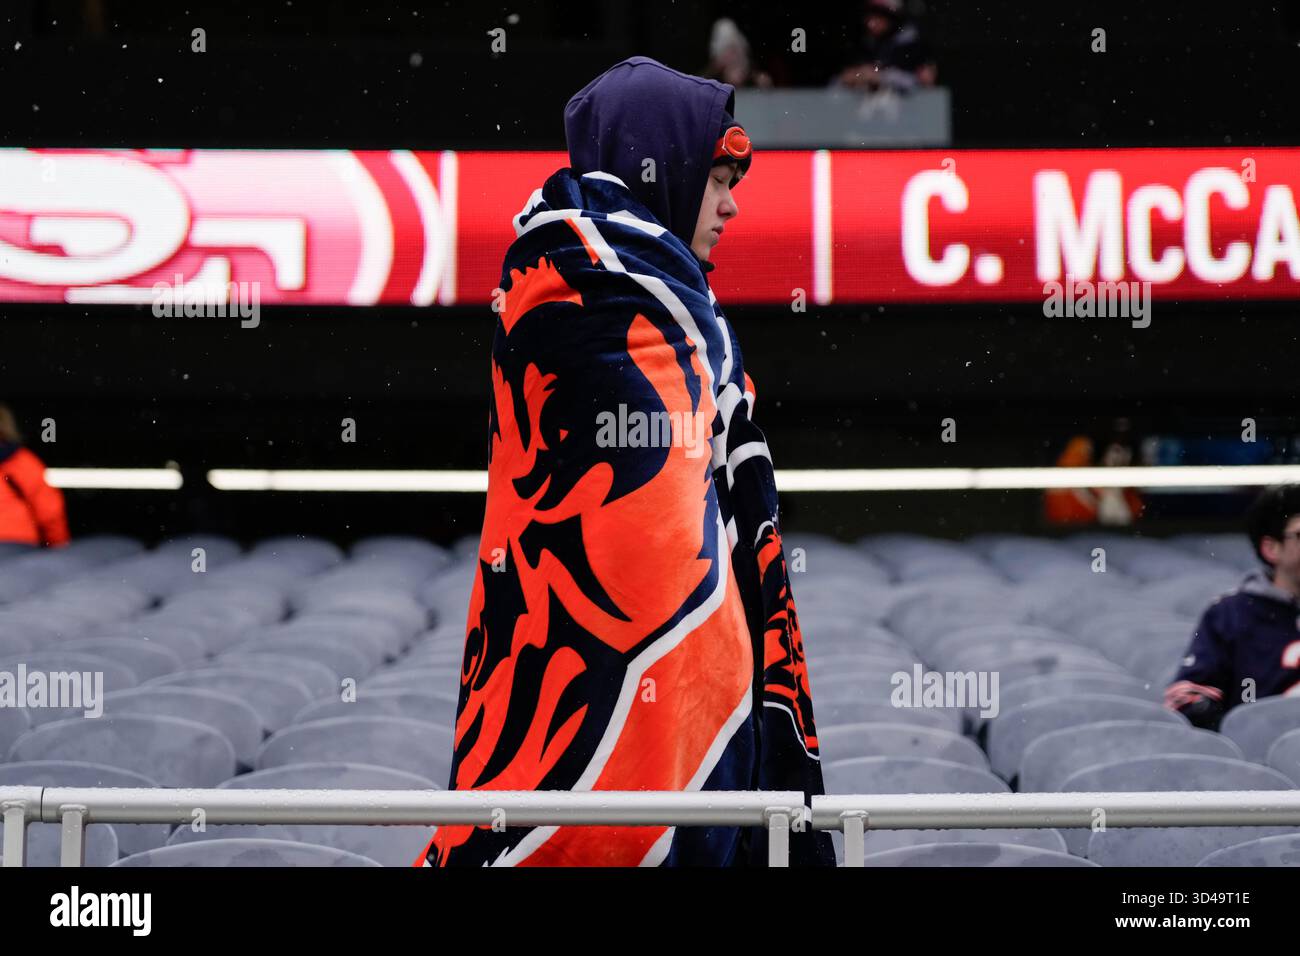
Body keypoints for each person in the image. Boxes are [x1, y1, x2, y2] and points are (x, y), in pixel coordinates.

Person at [418, 56, 833, 867]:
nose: (732, 203)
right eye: (717, 179)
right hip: (574, 665)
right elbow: (633, 519)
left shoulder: (680, 299)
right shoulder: (569, 288)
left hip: (693, 681)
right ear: (667, 169)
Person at [1164, 484, 1300, 729]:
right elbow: (1186, 698)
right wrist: (1237, 730)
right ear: (1271, 548)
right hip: (1259, 759)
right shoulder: (1230, 614)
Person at [0, 404, 70, 549]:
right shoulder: (24, 463)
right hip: (19, 550)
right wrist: (59, 550)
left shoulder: (21, 463)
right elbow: (50, 514)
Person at [835, 0, 937, 94]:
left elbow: (919, 84)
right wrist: (851, 78)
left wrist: (880, 77)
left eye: (878, 16)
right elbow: (834, 88)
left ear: (892, 18)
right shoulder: (863, 45)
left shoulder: (915, 47)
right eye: (869, 16)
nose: (871, 23)